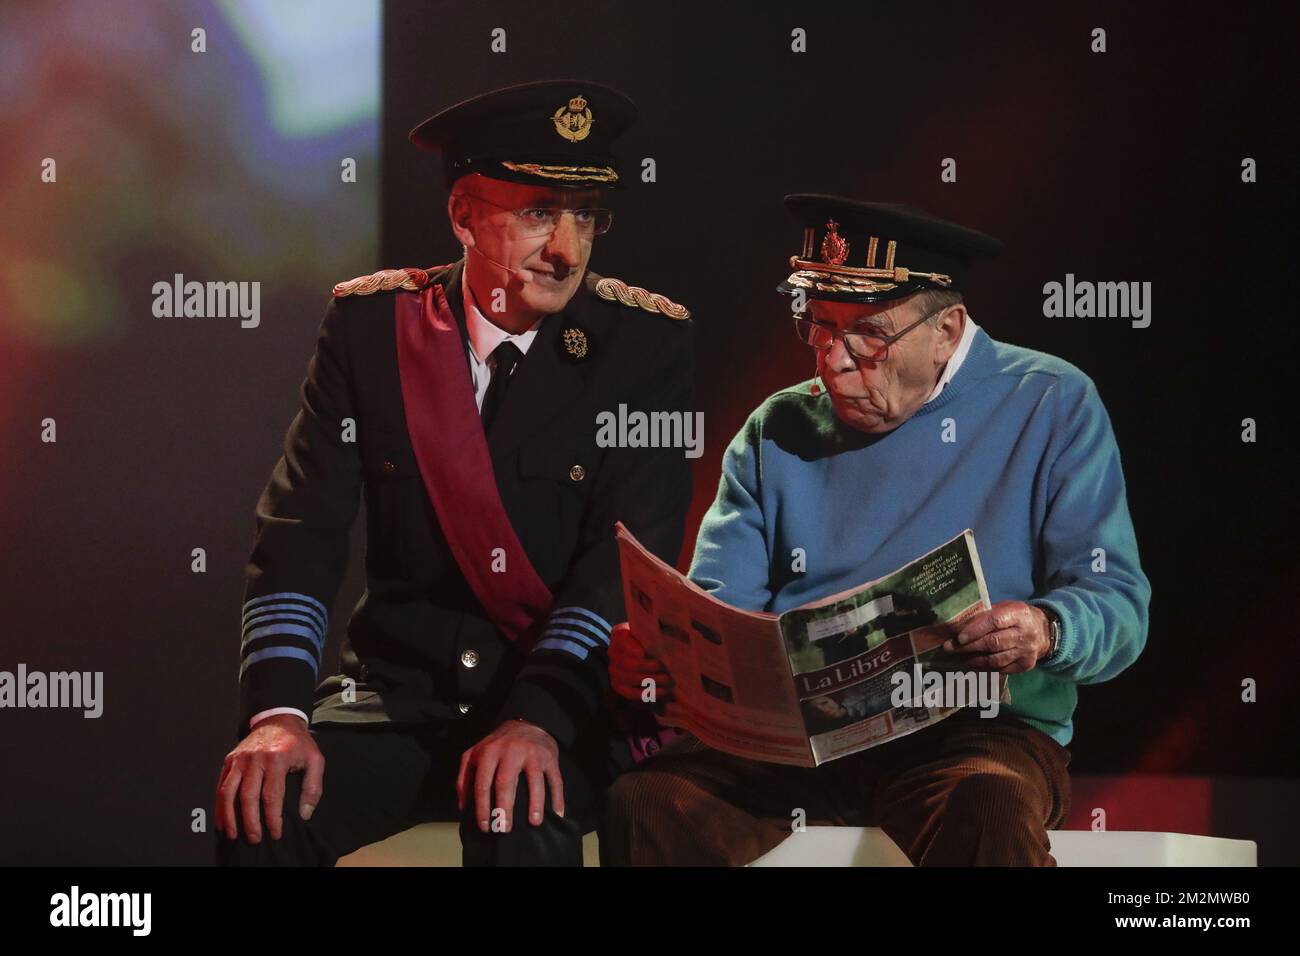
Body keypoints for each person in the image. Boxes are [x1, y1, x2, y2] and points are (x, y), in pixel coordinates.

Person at [214, 80, 694, 866]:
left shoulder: (644, 347)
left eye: (587, 215)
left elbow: (621, 568)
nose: (568, 249)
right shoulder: (373, 331)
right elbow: (300, 533)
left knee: (522, 815)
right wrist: (276, 713)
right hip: (396, 703)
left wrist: (537, 717)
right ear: (463, 215)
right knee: (263, 814)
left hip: (561, 707)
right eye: (540, 212)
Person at [601, 195, 1150, 866]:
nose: (832, 360)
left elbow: (1117, 602)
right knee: (647, 802)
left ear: (946, 330)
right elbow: (721, 607)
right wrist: (666, 658)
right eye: (819, 326)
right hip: (794, 744)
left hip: (974, 733)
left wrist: (1045, 628)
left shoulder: (1051, 402)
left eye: (868, 334)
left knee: (987, 805)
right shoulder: (777, 427)